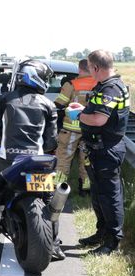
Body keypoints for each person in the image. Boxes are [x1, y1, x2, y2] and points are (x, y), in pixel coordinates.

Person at [0, 59, 58, 256]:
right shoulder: (49, 104)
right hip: (38, 161)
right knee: (49, 197)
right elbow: (51, 142)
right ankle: (56, 245)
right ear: (37, 78)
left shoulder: (5, 99)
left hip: (8, 159)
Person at [73, 49, 130, 256]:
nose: (88, 71)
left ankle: (112, 242)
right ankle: (102, 233)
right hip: (98, 149)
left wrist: (79, 114)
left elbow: (99, 119)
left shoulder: (111, 88)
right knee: (98, 195)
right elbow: (96, 111)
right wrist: (84, 108)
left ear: (96, 67)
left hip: (107, 150)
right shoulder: (105, 86)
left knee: (109, 197)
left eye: (89, 67)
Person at [53, 59, 94, 196]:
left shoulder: (71, 84)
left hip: (70, 130)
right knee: (86, 160)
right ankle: (85, 189)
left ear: (79, 69)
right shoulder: (98, 85)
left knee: (63, 159)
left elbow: (59, 104)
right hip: (90, 129)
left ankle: (58, 188)